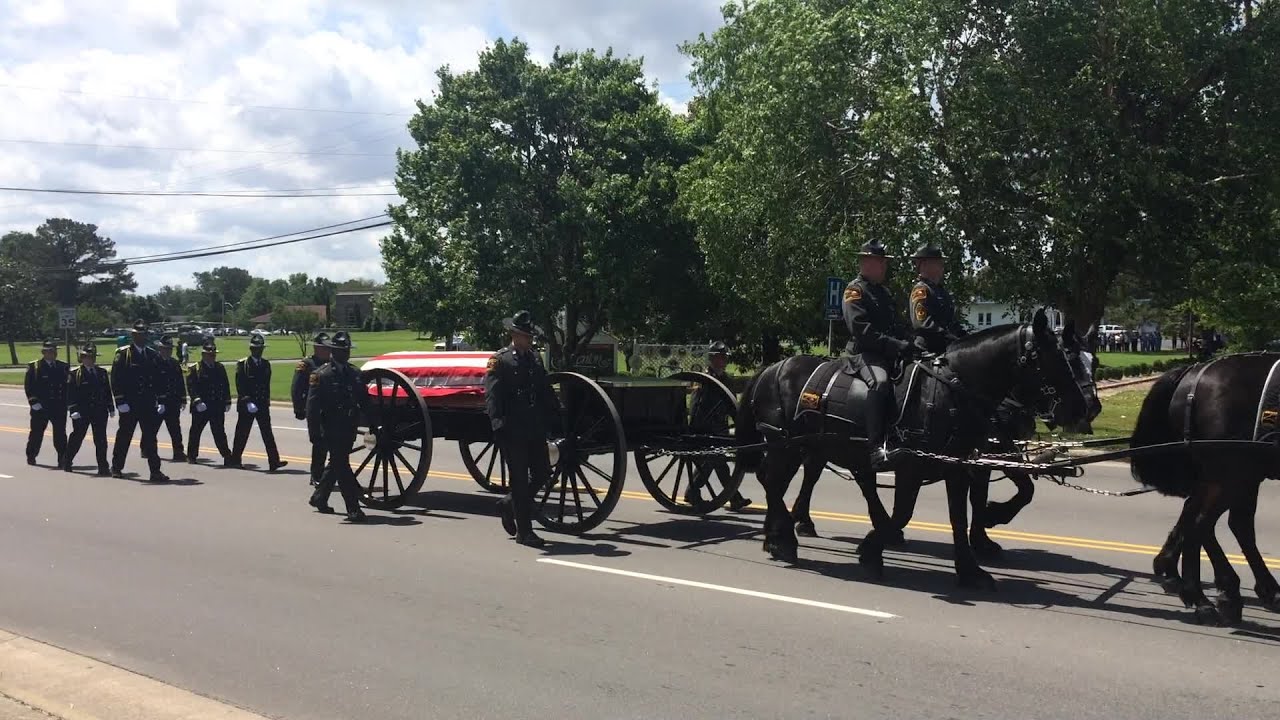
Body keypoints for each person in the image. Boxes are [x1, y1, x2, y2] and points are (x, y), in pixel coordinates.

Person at [485, 310, 562, 548]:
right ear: (515, 335)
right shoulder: (500, 360)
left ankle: (509, 504)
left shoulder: (535, 359)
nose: (530, 340)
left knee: (542, 473)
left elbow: (544, 390)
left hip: (534, 426)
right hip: (513, 428)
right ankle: (524, 532)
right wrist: (498, 425)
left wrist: (557, 415)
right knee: (518, 480)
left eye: (531, 337)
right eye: (526, 336)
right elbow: (493, 396)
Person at [843, 239, 913, 470]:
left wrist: (909, 343)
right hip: (864, 354)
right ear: (866, 262)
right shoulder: (855, 291)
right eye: (880, 262)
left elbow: (897, 324)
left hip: (887, 353)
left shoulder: (883, 292)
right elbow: (861, 330)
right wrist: (894, 345)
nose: (884, 266)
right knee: (881, 384)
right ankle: (875, 448)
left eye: (884, 262)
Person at [684, 341, 752, 511]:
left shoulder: (725, 379)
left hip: (720, 426)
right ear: (712, 359)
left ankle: (730, 497)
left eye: (725, 357)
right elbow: (696, 406)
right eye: (721, 357)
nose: (724, 360)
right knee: (716, 461)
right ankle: (729, 497)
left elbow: (731, 404)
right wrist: (696, 428)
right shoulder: (704, 379)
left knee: (717, 462)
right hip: (704, 427)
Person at [307, 331, 367, 522]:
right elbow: (312, 408)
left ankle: (319, 497)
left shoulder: (354, 373)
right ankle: (353, 508)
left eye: (347, 350)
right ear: (333, 351)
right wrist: (314, 434)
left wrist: (373, 425)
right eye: (342, 350)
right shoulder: (321, 375)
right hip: (330, 428)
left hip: (348, 427)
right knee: (342, 465)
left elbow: (364, 402)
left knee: (336, 463)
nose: (346, 354)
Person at [110, 320, 169, 482]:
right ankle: (116, 467)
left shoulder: (152, 354)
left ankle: (155, 471)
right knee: (124, 437)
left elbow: (158, 379)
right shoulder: (123, 354)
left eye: (144, 334)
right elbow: (116, 379)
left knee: (150, 438)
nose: (141, 337)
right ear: (133, 335)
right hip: (129, 404)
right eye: (138, 334)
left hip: (147, 403)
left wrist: (161, 400)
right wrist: (120, 401)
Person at [229, 333, 286, 471]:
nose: (259, 351)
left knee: (267, 433)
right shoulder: (243, 364)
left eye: (260, 348)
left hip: (261, 403)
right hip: (247, 404)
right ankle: (235, 460)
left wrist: (267, 400)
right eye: (256, 349)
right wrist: (248, 401)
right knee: (242, 433)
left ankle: (274, 461)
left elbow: (266, 385)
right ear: (251, 349)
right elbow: (240, 384)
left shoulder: (266, 364)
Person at [908, 244, 968, 355]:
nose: (942, 266)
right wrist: (949, 337)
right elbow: (922, 323)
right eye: (938, 262)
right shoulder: (921, 290)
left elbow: (952, 322)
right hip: (928, 349)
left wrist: (966, 338)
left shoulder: (942, 292)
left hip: (949, 347)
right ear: (924, 265)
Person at [63, 343, 114, 475]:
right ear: (82, 358)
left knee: (101, 440)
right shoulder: (75, 374)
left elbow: (107, 391)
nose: (90, 360)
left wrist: (111, 406)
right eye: (87, 357)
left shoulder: (101, 373)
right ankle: (67, 461)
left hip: (99, 411)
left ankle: (103, 466)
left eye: (92, 357)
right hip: (82, 412)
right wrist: (73, 409)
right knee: (77, 437)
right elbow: (70, 394)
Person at [292, 332, 331, 486]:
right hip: (314, 409)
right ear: (316, 347)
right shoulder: (307, 364)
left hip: (330, 409)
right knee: (319, 443)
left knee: (330, 443)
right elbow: (296, 388)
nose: (327, 351)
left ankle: (327, 474)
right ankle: (316, 475)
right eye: (324, 348)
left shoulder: (331, 363)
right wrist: (299, 408)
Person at [186, 340, 233, 465]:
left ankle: (227, 456)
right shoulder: (195, 368)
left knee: (219, 432)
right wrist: (197, 401)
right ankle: (191, 455)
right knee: (196, 431)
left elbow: (225, 385)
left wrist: (227, 400)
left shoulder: (219, 367)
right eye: (209, 354)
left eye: (214, 354)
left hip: (216, 405)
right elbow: (191, 387)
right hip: (202, 406)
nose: (212, 357)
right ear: (203, 355)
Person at [24, 338, 70, 467]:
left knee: (60, 434)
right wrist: (33, 402)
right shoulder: (35, 366)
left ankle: (62, 458)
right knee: (36, 433)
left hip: (58, 406)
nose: (51, 353)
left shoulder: (63, 366)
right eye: (48, 351)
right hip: (41, 406)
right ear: (43, 352)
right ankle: (31, 455)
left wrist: (68, 403)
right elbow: (29, 386)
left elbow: (68, 386)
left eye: (53, 351)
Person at [156, 335, 188, 462]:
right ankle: (146, 449)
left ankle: (178, 452)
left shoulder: (174, 363)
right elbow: (152, 383)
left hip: (172, 401)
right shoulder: (154, 362)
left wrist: (183, 398)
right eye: (165, 348)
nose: (168, 351)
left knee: (175, 428)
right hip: (158, 402)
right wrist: (158, 400)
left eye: (170, 349)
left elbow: (180, 381)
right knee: (153, 428)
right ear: (160, 348)